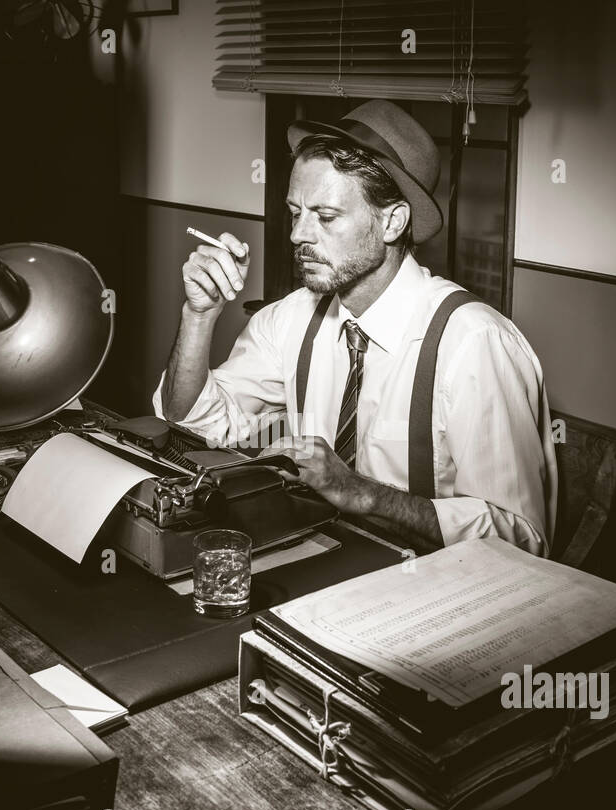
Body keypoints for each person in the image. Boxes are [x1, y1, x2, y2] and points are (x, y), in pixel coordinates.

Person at [153, 100, 557, 556]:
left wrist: (363, 494)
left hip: (434, 586)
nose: (298, 235)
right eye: (295, 212)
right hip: (321, 561)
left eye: (325, 217)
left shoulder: (475, 343)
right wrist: (199, 315)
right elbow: (189, 422)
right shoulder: (293, 318)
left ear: (392, 222)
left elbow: (523, 541)